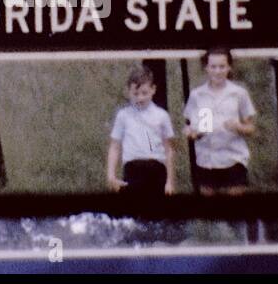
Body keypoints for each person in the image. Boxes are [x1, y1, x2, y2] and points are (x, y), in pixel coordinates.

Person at [183, 47, 257, 195]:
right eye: (213, 67)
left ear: (229, 67)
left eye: (222, 66)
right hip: (206, 159)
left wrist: (238, 127)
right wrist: (192, 133)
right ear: (206, 68)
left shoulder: (239, 93)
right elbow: (190, 127)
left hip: (234, 157)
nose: (218, 71)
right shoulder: (197, 95)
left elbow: (251, 128)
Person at [107, 65, 176, 196]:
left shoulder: (162, 115)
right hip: (133, 170)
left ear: (153, 90)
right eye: (136, 94)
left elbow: (169, 150)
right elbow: (114, 147)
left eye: (144, 93)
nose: (140, 98)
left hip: (157, 170)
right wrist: (111, 176)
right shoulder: (123, 115)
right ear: (129, 92)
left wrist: (170, 182)